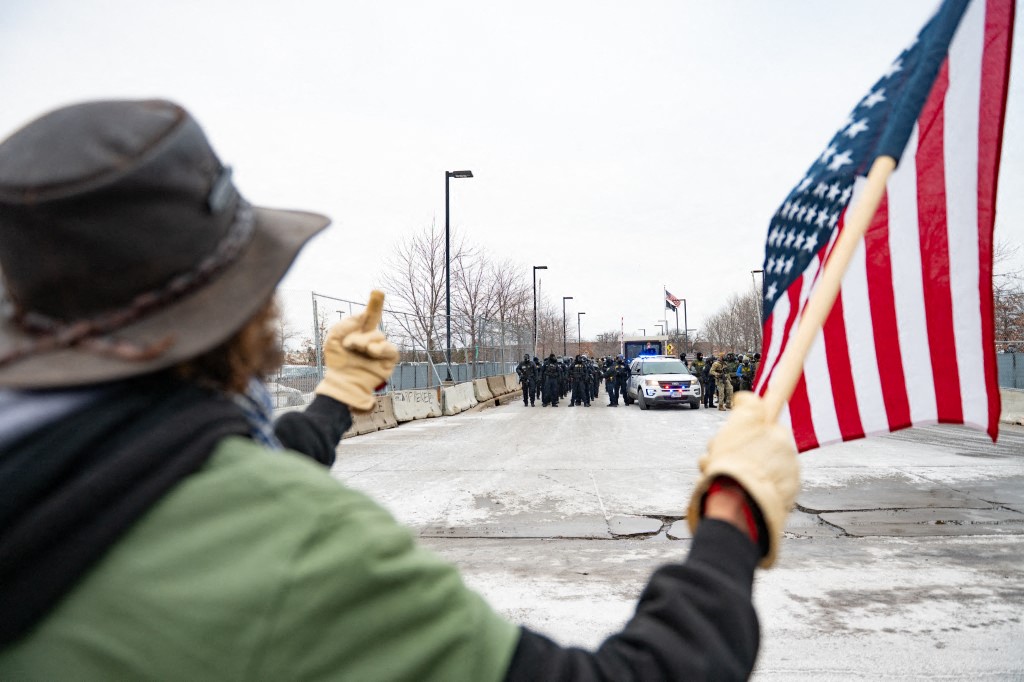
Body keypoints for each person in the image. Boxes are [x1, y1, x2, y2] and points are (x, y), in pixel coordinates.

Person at [0, 100, 800, 681]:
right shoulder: (291, 541)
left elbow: (199, 465)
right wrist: (733, 509)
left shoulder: (65, 457)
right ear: (229, 306)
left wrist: (335, 400)